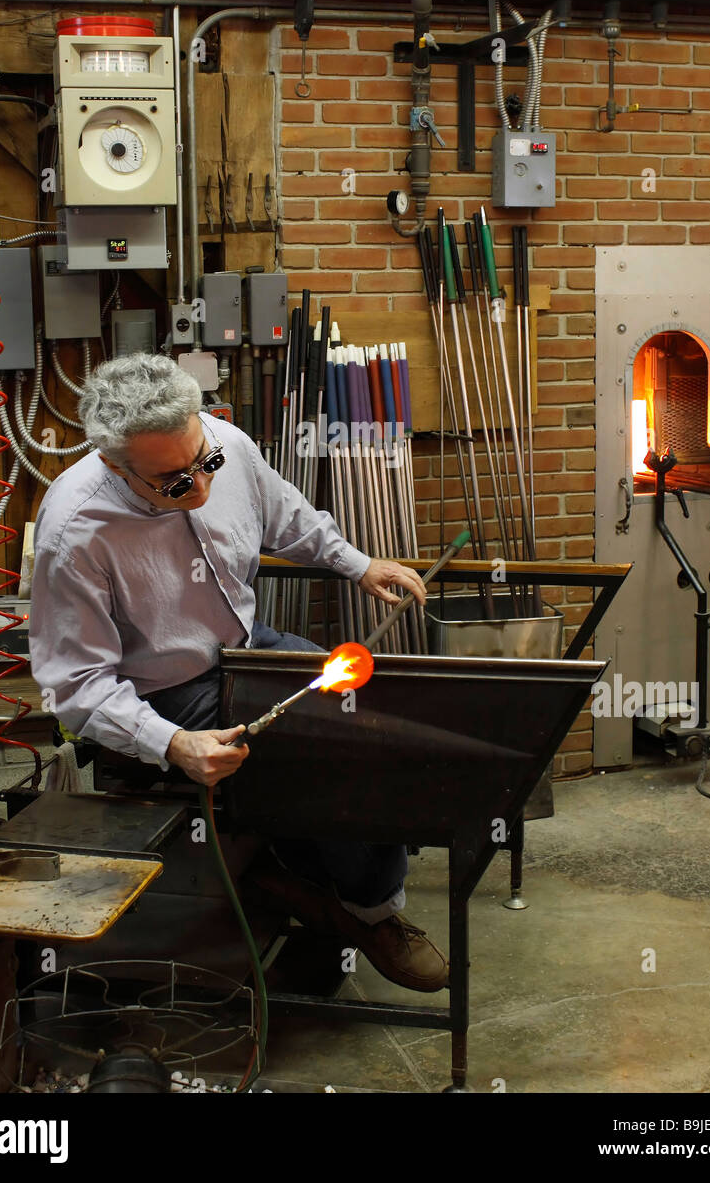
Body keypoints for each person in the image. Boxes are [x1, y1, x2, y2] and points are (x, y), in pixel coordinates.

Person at [29, 352, 448, 993]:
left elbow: (283, 510)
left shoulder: (222, 441)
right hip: (164, 691)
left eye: (205, 465)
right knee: (328, 747)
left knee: (365, 713)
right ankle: (370, 913)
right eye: (172, 483)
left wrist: (358, 563)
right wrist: (170, 744)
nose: (198, 488)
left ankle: (317, 881)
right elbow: (76, 685)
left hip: (245, 646)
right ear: (115, 464)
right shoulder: (75, 531)